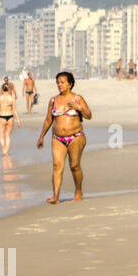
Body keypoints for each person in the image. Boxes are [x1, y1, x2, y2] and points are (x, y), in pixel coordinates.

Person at [35, 71, 92, 203]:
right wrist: (41, 136)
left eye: (62, 82)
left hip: (76, 137)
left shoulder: (77, 98)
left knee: (74, 165)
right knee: (57, 166)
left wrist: (79, 108)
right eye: (58, 83)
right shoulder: (53, 100)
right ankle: (56, 196)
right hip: (57, 138)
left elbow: (89, 115)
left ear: (70, 84)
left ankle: (78, 191)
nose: (59, 85)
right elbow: (48, 120)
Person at [0, 82, 18, 155]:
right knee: (8, 135)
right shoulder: (12, 98)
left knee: (1, 134)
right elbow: (14, 109)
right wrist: (18, 120)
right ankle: (6, 150)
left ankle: (3, 146)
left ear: (2, 89)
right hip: (10, 116)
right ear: (9, 89)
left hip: (2, 116)